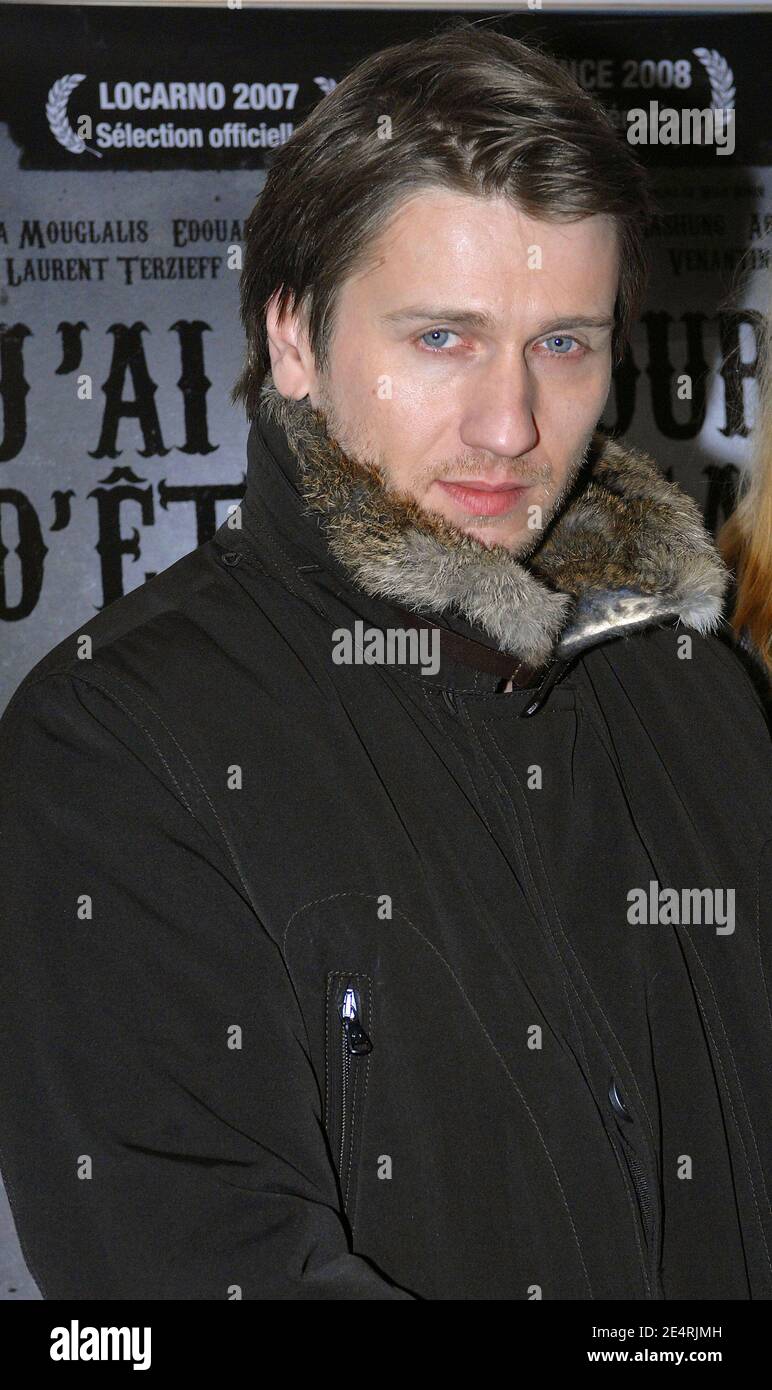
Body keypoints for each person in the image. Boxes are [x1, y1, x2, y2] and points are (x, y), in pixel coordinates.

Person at [0, 24, 771, 1302]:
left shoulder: (695, 693)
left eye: (563, 344)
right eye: (441, 338)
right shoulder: (112, 737)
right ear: (292, 337)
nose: (512, 422)